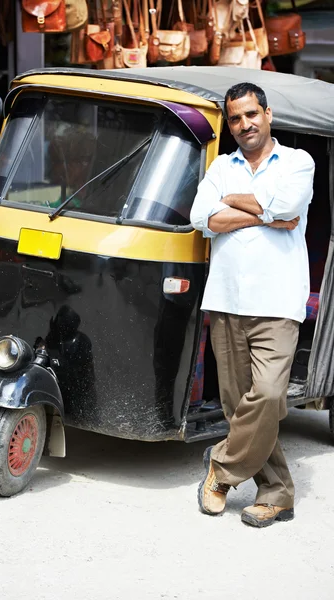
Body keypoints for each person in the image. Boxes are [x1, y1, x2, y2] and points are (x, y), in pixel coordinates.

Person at [190, 82, 315, 528]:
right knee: (237, 405)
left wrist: (233, 205)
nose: (244, 124)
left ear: (268, 114)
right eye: (236, 118)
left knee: (266, 396)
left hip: (278, 302)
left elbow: (289, 205)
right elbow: (201, 218)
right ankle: (277, 493)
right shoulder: (222, 166)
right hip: (225, 300)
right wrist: (267, 215)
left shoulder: (298, 162)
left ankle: (220, 471)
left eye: (251, 114)